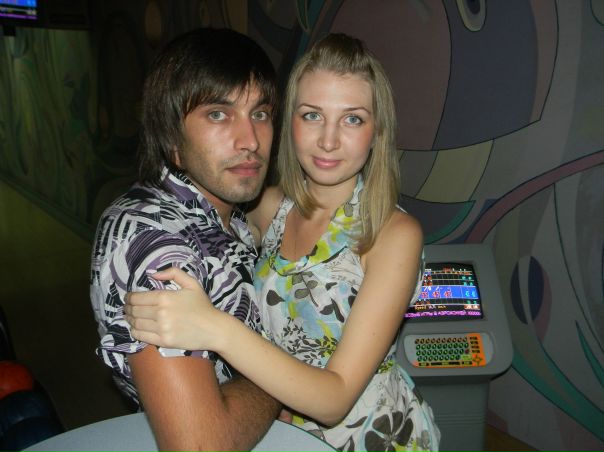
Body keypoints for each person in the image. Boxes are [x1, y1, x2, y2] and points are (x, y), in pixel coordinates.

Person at [125, 33, 441, 452]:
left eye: (352, 119)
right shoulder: (269, 208)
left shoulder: (393, 234)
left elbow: (334, 399)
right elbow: (199, 209)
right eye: (312, 116)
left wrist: (213, 327)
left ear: (377, 131)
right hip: (281, 434)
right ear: (289, 122)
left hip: (373, 438)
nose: (328, 140)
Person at [89, 28, 282, 452]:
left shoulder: (227, 211)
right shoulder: (156, 243)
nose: (250, 141)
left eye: (260, 113)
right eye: (218, 114)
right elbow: (200, 445)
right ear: (171, 137)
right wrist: (286, 371)